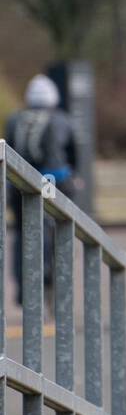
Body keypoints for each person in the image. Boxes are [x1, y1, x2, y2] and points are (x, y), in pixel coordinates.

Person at [5, 74, 79, 308]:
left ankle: (22, 286)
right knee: (60, 229)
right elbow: (74, 155)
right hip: (55, 182)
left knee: (21, 232)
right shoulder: (62, 119)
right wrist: (74, 177)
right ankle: (56, 279)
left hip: (20, 185)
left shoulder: (15, 119)